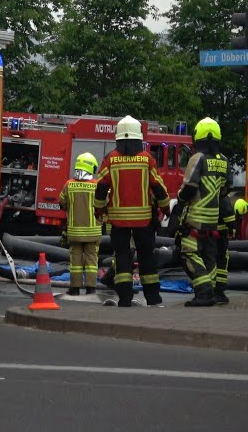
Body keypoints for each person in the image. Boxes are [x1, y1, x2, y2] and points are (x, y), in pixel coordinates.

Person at [95, 115, 170, 307]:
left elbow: (101, 187)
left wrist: (99, 209)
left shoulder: (110, 159)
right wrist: (165, 207)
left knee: (122, 257)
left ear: (118, 137)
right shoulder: (147, 159)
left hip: (118, 220)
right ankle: (153, 298)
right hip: (144, 220)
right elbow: (158, 187)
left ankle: (125, 298)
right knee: (147, 257)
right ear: (139, 137)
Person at [171, 117, 232, 307]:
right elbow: (225, 190)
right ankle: (212, 292)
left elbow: (189, 186)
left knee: (188, 254)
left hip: (194, 219)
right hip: (213, 220)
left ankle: (204, 292)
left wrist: (180, 199)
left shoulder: (197, 158)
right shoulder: (224, 161)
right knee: (209, 256)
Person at [59, 152, 103, 296]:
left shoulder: (69, 185)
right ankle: (91, 288)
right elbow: (105, 204)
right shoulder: (97, 185)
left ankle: (74, 288)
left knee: (75, 261)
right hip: (93, 232)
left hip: (74, 231)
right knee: (91, 260)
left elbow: (62, 203)